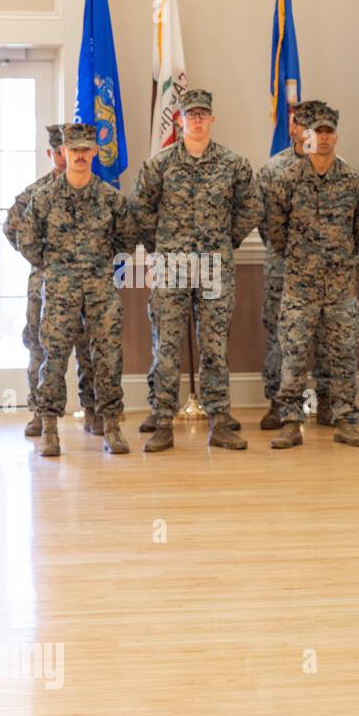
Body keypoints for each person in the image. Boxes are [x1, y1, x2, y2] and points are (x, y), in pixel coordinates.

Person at [129, 88, 261, 452]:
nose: (198, 120)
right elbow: (139, 209)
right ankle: (163, 423)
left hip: (214, 268)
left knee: (215, 348)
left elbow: (251, 208)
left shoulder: (233, 164)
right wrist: (162, 247)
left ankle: (220, 422)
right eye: (192, 115)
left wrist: (224, 240)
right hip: (171, 266)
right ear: (180, 120)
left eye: (204, 114)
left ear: (212, 120)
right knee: (166, 348)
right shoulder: (159, 164)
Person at [17, 123, 135, 456]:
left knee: (108, 357)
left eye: (86, 150)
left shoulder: (110, 198)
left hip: (101, 289)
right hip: (59, 290)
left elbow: (126, 239)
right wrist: (53, 264)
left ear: (95, 152)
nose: (80, 155)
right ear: (63, 152)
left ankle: (111, 426)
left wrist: (101, 264)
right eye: (74, 150)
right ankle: (51, 429)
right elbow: (26, 238)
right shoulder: (44, 198)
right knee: (53, 358)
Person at [263, 104, 359, 449]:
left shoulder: (354, 182)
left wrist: (338, 257)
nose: (322, 138)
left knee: (342, 354)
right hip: (299, 285)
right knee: (293, 356)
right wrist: (302, 259)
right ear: (304, 135)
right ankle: (291, 422)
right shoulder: (286, 181)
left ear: (336, 136)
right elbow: (274, 231)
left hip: (340, 286)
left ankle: (344, 419)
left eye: (328, 132)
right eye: (316, 132)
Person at [4, 123, 99, 438]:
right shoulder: (36, 194)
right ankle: (39, 412)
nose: (63, 156)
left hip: (87, 282)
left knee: (88, 347)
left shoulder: (94, 190)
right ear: (51, 153)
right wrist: (43, 259)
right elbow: (11, 228)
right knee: (41, 348)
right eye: (58, 151)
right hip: (45, 283)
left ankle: (93, 410)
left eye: (68, 149)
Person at [255, 100, 334, 430]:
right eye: (304, 125)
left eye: (316, 126)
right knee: (280, 338)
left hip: (328, 272)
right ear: (293, 129)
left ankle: (327, 401)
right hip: (283, 270)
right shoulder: (274, 171)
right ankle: (279, 401)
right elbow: (265, 222)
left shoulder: (336, 169)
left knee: (328, 337)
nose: (309, 132)